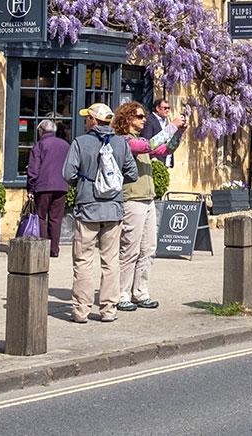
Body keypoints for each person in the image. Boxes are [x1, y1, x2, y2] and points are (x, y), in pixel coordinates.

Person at [63, 102, 138, 324]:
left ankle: (81, 311)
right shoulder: (121, 143)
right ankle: (108, 310)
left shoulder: (80, 142)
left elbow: (68, 174)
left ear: (94, 120)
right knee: (111, 261)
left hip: (87, 208)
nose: (86, 120)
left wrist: (86, 181)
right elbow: (132, 173)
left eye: (88, 117)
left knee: (83, 260)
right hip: (113, 209)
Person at [116, 100, 168, 312]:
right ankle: (121, 294)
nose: (143, 119)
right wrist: (171, 125)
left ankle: (140, 292)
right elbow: (149, 146)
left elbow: (164, 149)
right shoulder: (124, 141)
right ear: (128, 118)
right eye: (139, 116)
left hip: (147, 199)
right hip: (132, 200)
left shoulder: (141, 140)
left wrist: (180, 131)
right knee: (130, 249)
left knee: (148, 249)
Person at [25, 118, 71, 257]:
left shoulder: (40, 145)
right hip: (61, 186)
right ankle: (54, 249)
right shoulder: (65, 145)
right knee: (56, 219)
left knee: (40, 217)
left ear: (41, 131)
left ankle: (43, 249)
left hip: (43, 186)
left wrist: (30, 188)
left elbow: (33, 169)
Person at [142, 97, 186, 169]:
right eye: (165, 108)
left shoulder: (165, 121)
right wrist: (153, 158)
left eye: (169, 108)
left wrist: (180, 131)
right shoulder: (149, 121)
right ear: (157, 108)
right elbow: (146, 142)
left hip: (165, 162)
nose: (168, 110)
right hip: (155, 163)